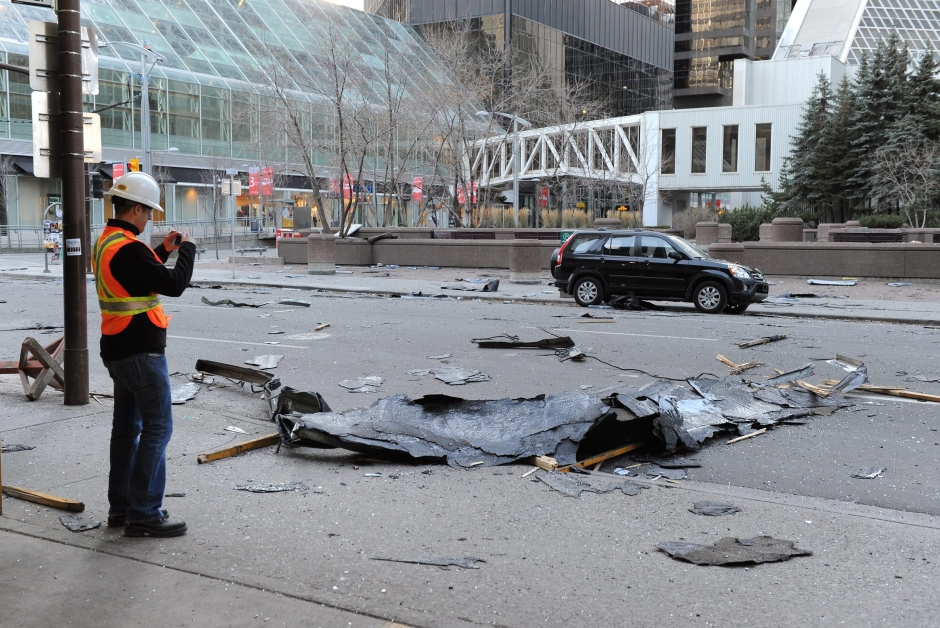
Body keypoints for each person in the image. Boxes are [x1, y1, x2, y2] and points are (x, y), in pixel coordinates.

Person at [92, 172, 195, 538]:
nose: (150, 217)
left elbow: (138, 273)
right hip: (141, 354)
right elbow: (173, 285)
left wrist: (163, 250)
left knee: (126, 431)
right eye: (148, 211)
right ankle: (145, 513)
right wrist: (187, 251)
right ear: (136, 208)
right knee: (158, 428)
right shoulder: (130, 248)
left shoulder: (107, 242)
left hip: (117, 349)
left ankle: (121, 508)